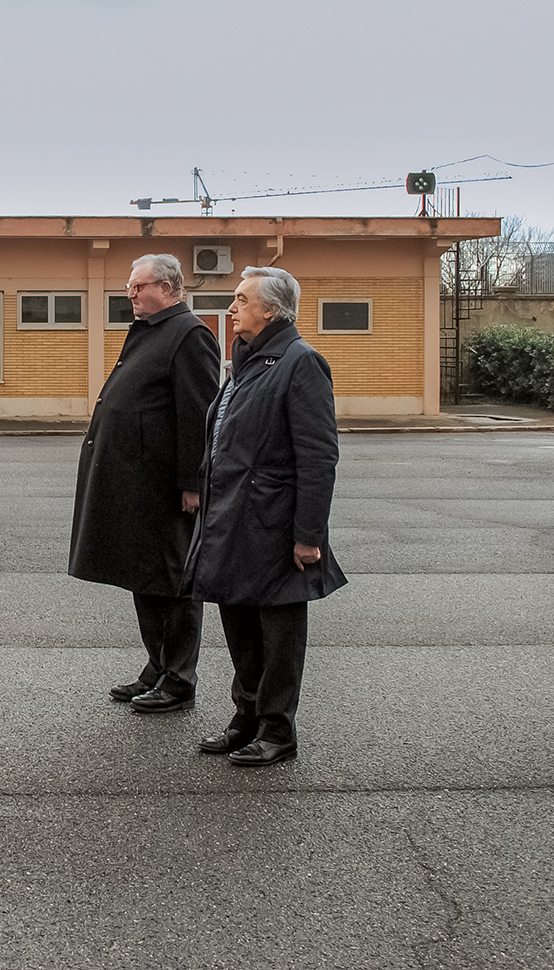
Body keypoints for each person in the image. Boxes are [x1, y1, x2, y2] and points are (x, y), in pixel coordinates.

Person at [183, 266, 344, 766]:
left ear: (271, 310)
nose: (232, 308)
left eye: (241, 299)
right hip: (232, 517)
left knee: (278, 634)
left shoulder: (300, 361)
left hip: (274, 524)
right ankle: (246, 718)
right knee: (239, 621)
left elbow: (318, 456)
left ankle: (277, 729)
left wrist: (308, 535)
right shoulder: (247, 359)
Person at [67, 253, 219, 716]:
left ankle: (179, 680)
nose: (130, 294)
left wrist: (193, 482)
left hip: (164, 485)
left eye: (139, 286)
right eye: (129, 287)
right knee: (144, 577)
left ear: (168, 288)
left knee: (171, 579)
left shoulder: (190, 335)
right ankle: (158, 667)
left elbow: (198, 414)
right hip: (138, 482)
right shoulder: (150, 330)